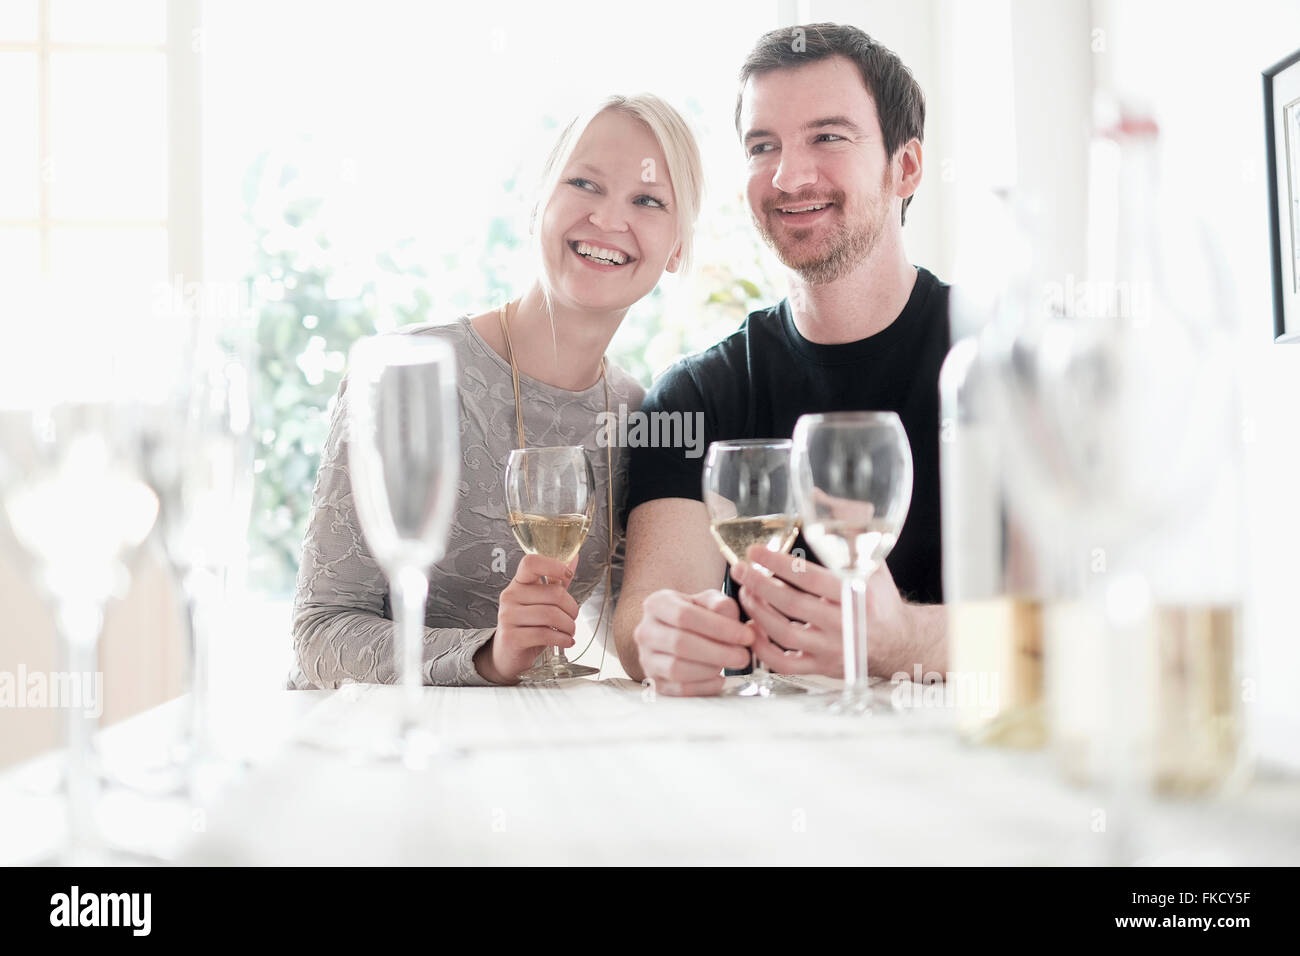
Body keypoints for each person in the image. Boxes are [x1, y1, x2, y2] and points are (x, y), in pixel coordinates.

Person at [290, 93, 703, 689]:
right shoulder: (408, 373)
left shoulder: (637, 416)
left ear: (678, 247)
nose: (610, 220)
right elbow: (319, 634)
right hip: (371, 749)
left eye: (647, 200)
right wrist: (489, 654)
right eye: (585, 184)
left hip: (517, 749)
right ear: (539, 202)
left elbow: (631, 627)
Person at [613, 24, 950, 696]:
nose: (789, 176)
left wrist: (900, 640)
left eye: (828, 137)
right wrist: (666, 642)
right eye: (762, 146)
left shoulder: (1006, 366)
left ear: (904, 167)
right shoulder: (694, 398)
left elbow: (1088, 626)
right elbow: (647, 617)